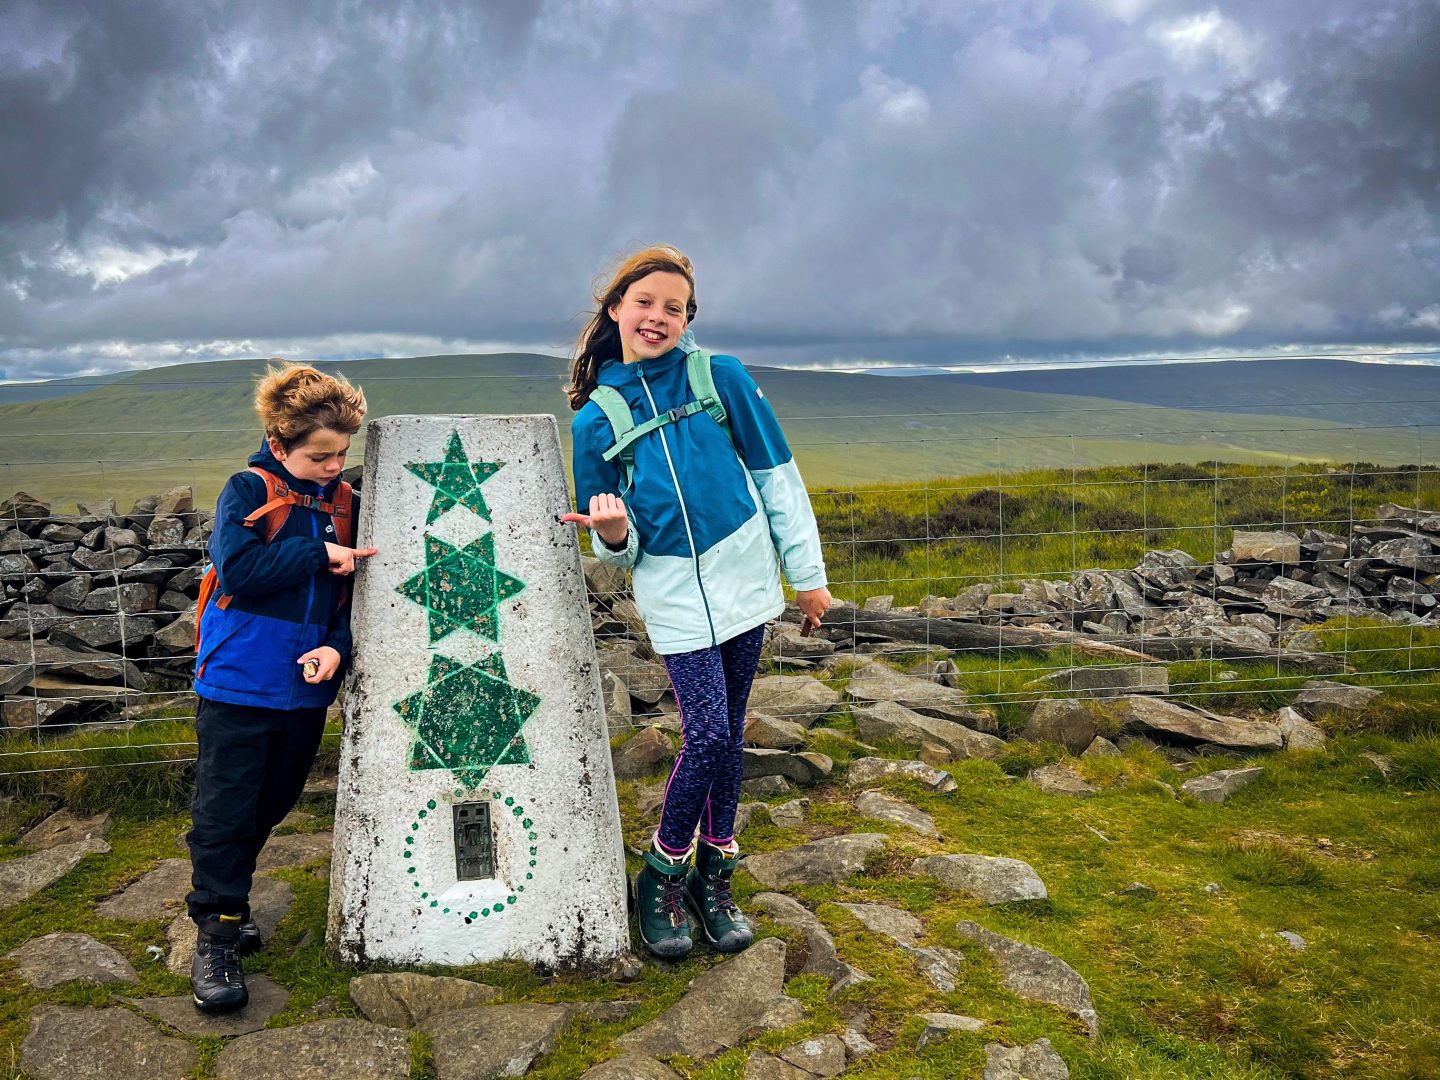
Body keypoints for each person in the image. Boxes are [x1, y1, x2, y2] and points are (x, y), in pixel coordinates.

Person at [563, 245, 831, 959]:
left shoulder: (723, 378)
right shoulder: (595, 419)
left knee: (730, 735)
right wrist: (615, 535)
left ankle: (717, 878)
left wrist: (807, 576)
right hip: (675, 594)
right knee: (708, 735)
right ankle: (661, 873)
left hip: (746, 582)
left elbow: (777, 477)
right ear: (616, 307)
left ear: (688, 320)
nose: (657, 317)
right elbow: (609, 543)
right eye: (644, 302)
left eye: (673, 308)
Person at [186, 362, 376, 1012]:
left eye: (341, 455)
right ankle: (217, 933)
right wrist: (316, 554)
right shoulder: (247, 489)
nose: (332, 466)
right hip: (238, 682)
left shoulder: (345, 504)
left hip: (303, 691)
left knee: (269, 805)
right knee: (226, 810)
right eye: (319, 455)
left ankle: (229, 901)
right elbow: (239, 569)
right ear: (279, 445)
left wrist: (337, 648)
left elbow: (351, 598)